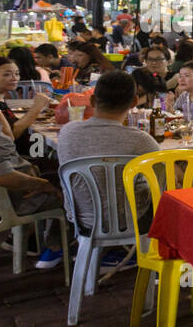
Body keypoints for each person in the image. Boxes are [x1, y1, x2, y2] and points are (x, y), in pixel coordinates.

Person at [56, 71, 160, 237]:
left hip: (82, 221)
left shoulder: (67, 132)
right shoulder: (140, 141)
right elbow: (162, 180)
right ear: (134, 102)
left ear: (92, 101)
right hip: (132, 221)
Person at [0, 101, 65, 269]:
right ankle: (56, 247)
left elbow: (8, 138)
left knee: (52, 172)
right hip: (11, 199)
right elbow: (1, 177)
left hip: (2, 195)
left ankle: (32, 238)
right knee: (71, 194)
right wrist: (43, 185)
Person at [0, 56, 50, 159]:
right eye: (7, 74)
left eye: (17, 74)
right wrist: (36, 108)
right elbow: (11, 135)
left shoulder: (0, 99)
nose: (14, 78)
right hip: (17, 158)